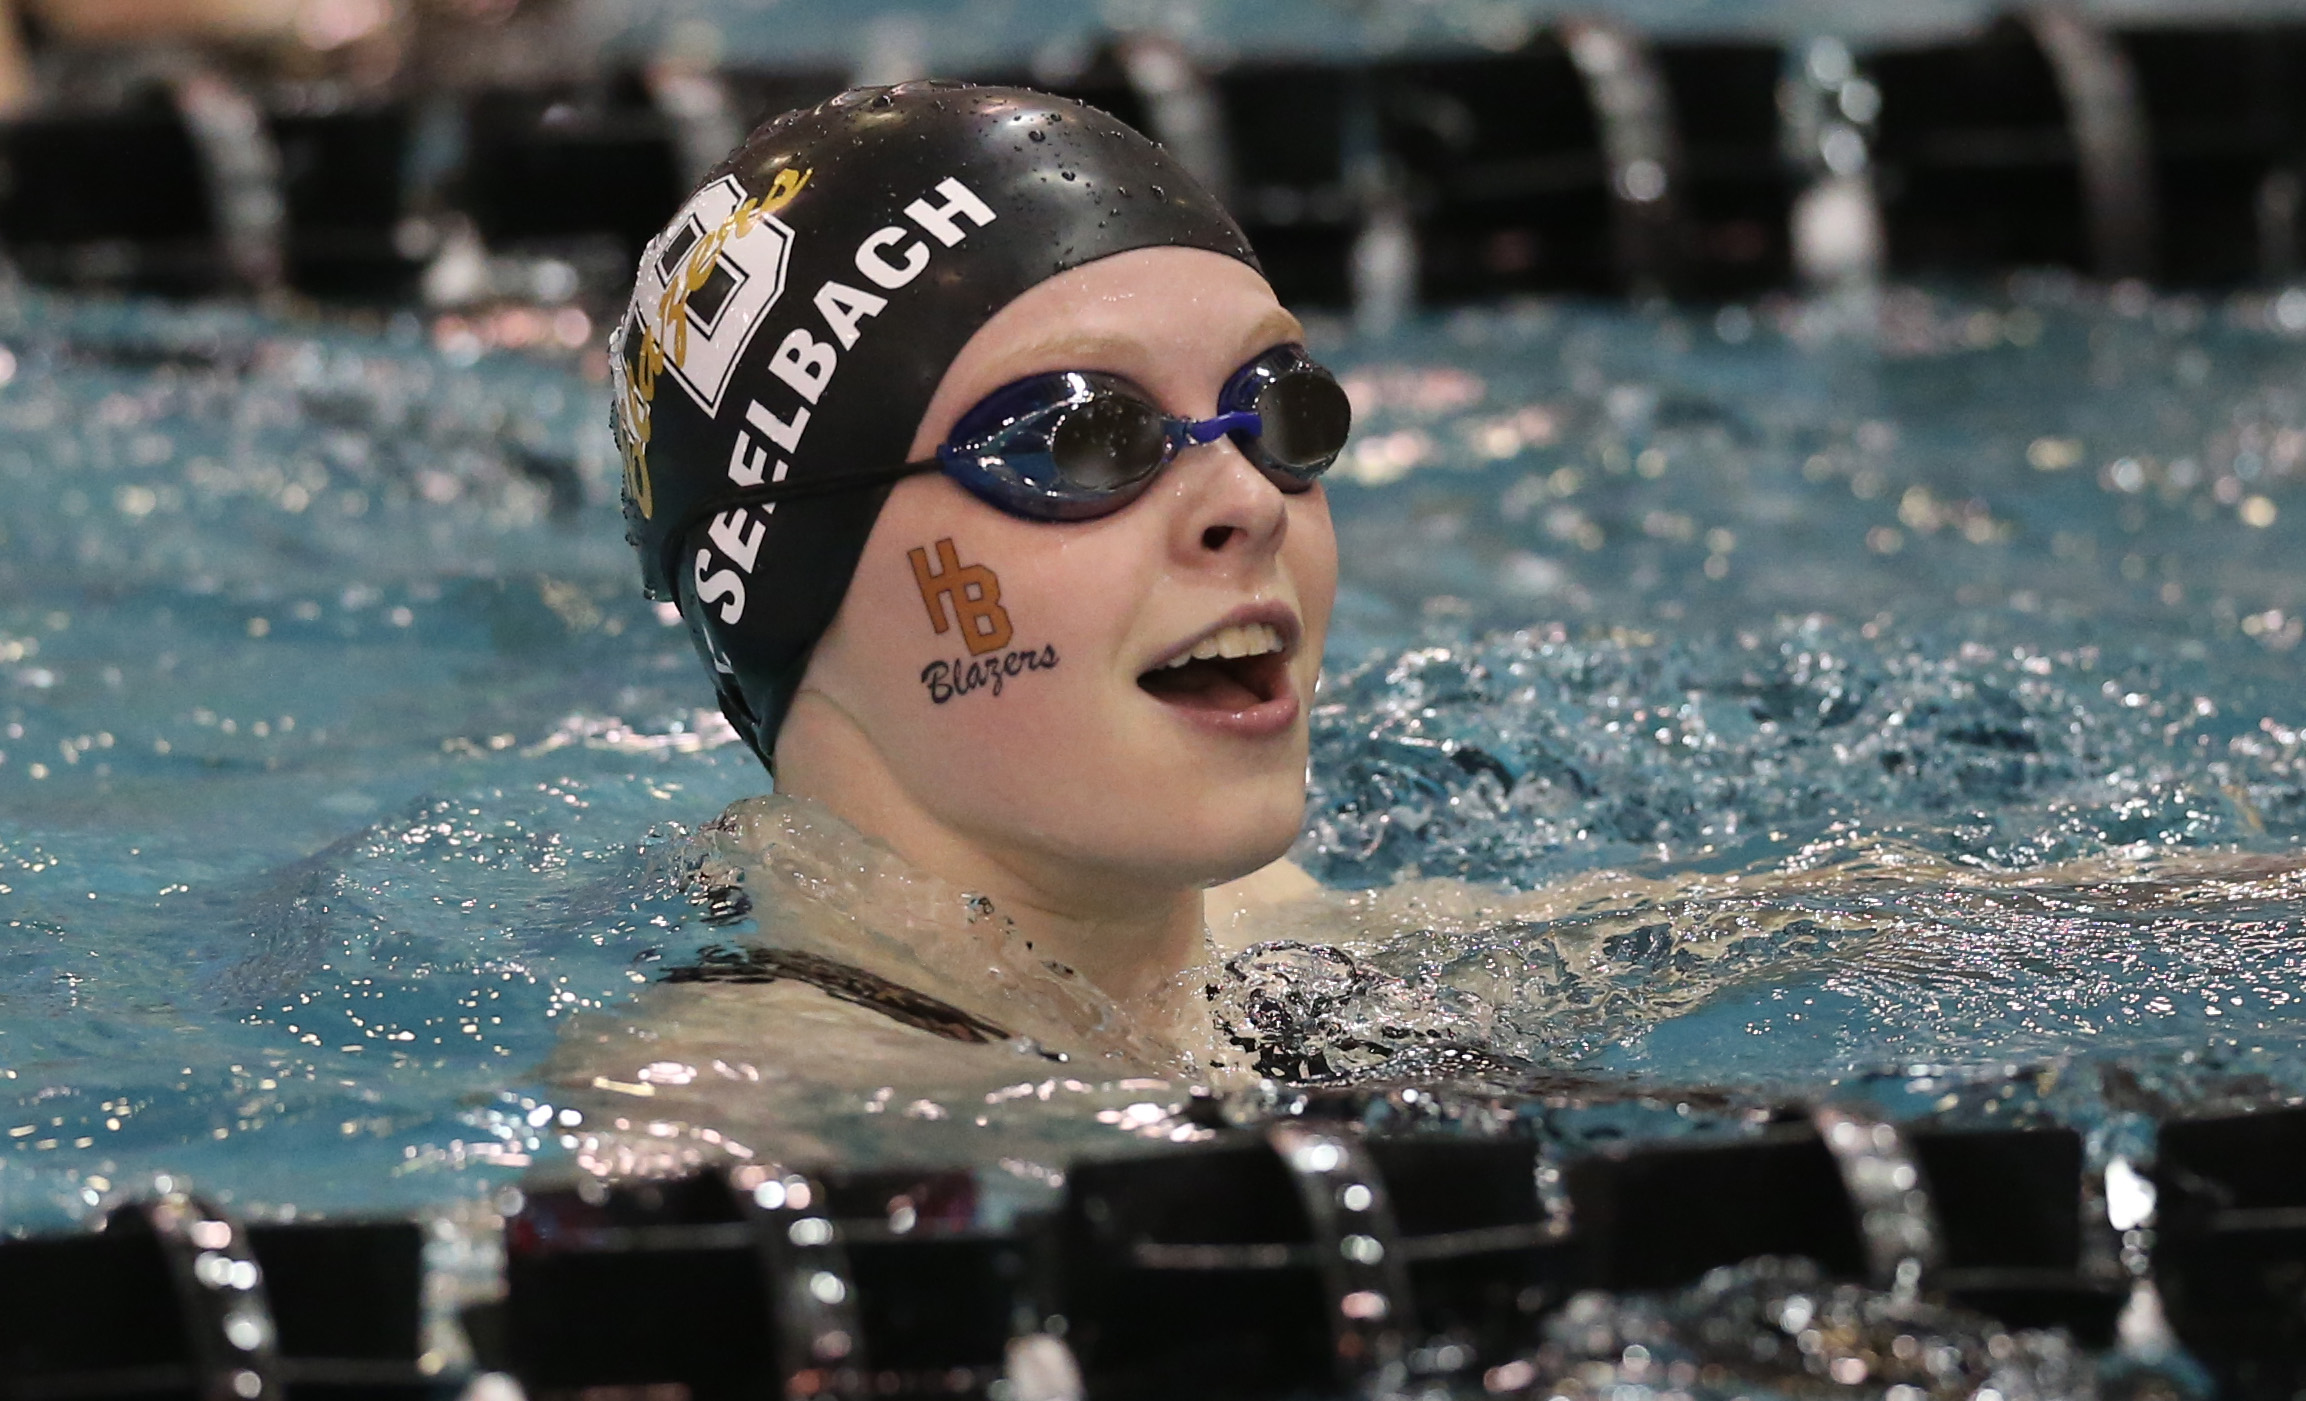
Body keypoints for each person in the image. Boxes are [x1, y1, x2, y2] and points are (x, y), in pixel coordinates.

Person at [564, 81, 1356, 1150]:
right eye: (1083, 440)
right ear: (796, 573)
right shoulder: (715, 1126)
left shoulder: (1297, 939)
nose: (1249, 505)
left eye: (1278, 409)